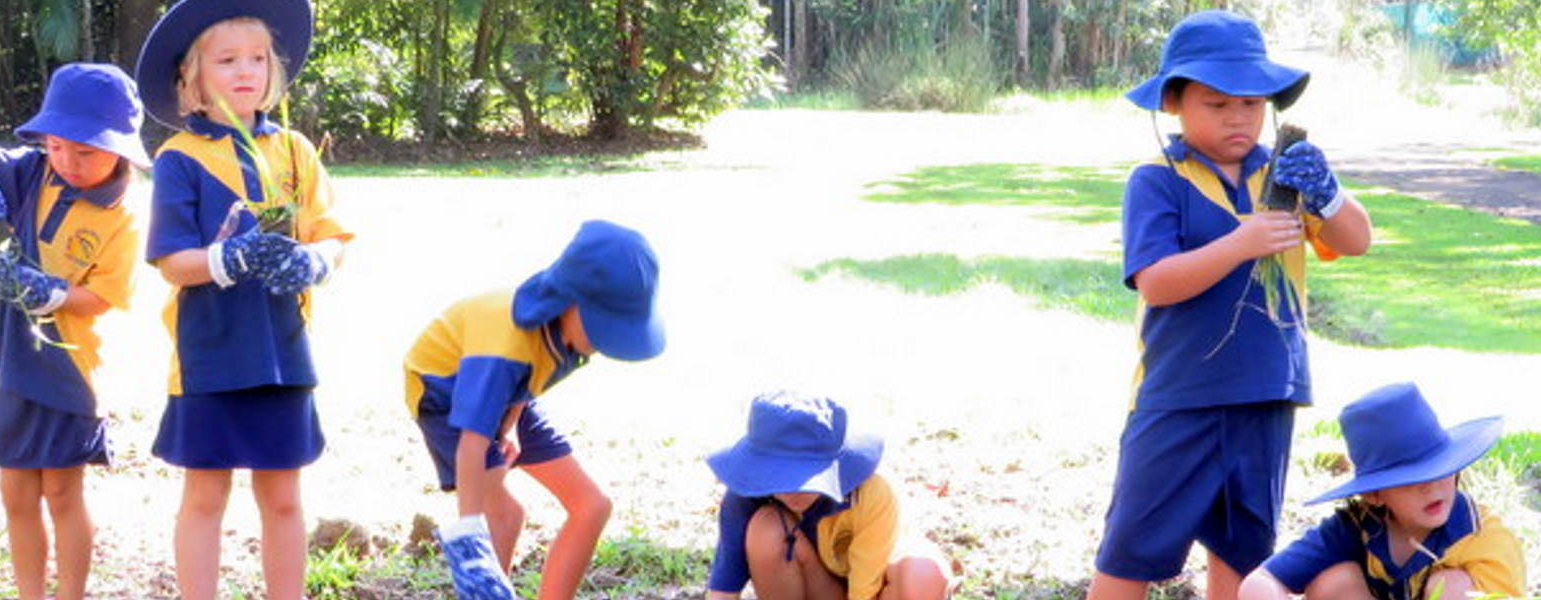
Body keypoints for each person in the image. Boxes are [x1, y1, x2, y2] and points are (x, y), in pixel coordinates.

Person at [1092, 9, 1373, 600]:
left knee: (1244, 553)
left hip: (1267, 391)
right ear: (1174, 104)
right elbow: (1155, 282)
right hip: (1178, 395)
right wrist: (1241, 243)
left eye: (1250, 103)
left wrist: (1330, 193)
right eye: (1216, 105)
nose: (1237, 118)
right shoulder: (1156, 179)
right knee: (1131, 549)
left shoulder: (1286, 174)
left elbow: (1356, 241)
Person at [133, 1, 352, 597]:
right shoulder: (179, 158)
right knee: (205, 494)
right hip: (209, 352)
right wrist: (227, 260)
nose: (245, 71)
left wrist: (314, 260)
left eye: (257, 58)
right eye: (227, 60)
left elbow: (332, 236)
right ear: (191, 77)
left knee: (283, 496)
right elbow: (171, 263)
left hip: (282, 351)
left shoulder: (296, 151)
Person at [0, 62, 148, 600]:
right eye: (57, 146)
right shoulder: (35, 171)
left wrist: (49, 292)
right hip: (15, 357)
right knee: (15, 490)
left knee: (61, 490)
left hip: (71, 366)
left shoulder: (122, 216)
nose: (68, 162)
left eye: (86, 151)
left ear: (120, 149)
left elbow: (104, 297)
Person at [404, 219, 666, 600]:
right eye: (604, 325)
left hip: (510, 393)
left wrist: (509, 423)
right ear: (571, 302)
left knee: (591, 506)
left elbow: (530, 379)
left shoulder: (568, 336)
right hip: (445, 389)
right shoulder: (503, 351)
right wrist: (469, 535)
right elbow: (472, 445)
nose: (603, 342)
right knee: (506, 515)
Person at [1236, 383, 1524, 600]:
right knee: (1333, 581)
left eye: (1440, 470)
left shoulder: (1481, 537)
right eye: (1410, 480)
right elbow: (1259, 582)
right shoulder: (1359, 525)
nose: (1431, 486)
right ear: (1375, 495)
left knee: (1452, 587)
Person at [704, 391, 955, 600]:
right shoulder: (746, 495)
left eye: (805, 480)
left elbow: (864, 591)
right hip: (821, 584)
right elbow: (723, 588)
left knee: (922, 575)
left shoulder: (871, 493)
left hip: (880, 584)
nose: (793, 491)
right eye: (779, 478)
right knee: (766, 529)